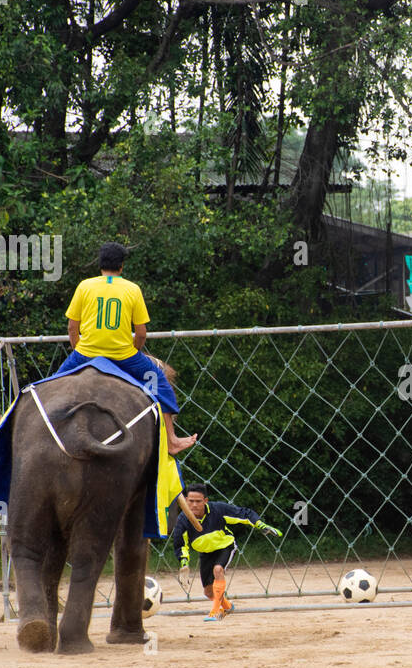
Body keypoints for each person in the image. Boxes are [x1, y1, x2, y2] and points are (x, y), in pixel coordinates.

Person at [56, 242, 197, 453]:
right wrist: (134, 352)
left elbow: (72, 327)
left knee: (49, 384)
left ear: (100, 264)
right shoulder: (132, 289)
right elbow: (141, 333)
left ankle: (10, 419)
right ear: (121, 266)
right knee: (159, 381)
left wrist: (80, 350)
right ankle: (172, 440)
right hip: (122, 355)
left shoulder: (84, 286)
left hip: (86, 354)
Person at [171, 484, 282, 620]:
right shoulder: (183, 520)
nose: (194, 505)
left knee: (218, 570)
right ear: (185, 500)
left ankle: (215, 612)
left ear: (205, 500)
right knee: (208, 592)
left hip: (225, 546)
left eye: (198, 501)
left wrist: (261, 525)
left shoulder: (217, 509)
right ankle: (228, 607)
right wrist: (184, 563)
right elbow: (180, 544)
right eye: (191, 501)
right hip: (205, 553)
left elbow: (244, 514)